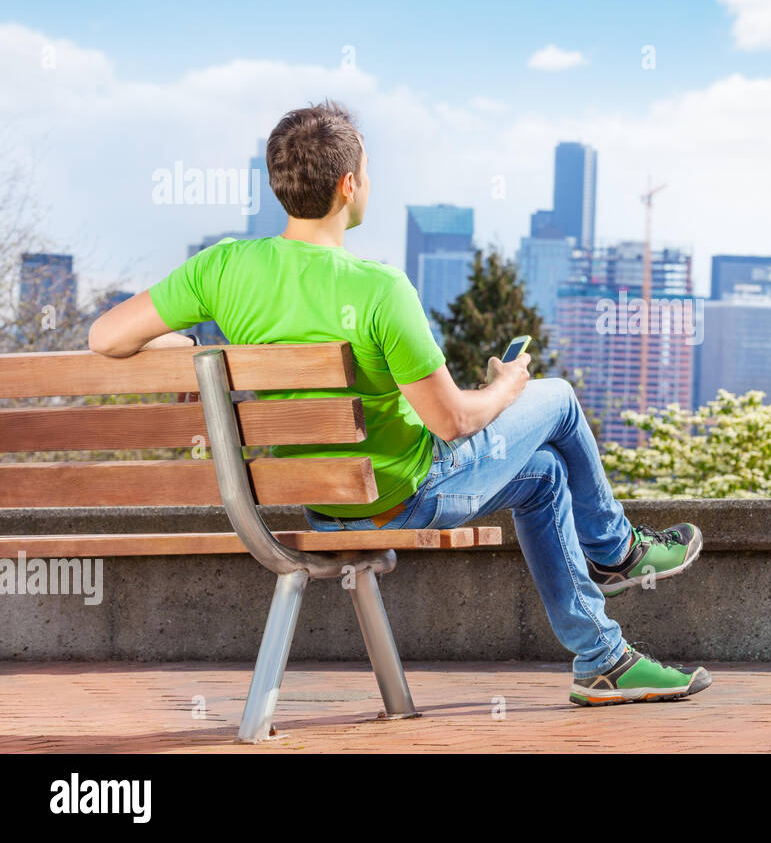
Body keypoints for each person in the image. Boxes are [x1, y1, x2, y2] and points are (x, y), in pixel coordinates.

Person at [87, 100, 711, 706]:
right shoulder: (381, 289)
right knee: (560, 399)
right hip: (401, 497)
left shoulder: (221, 268)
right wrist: (504, 387)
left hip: (325, 505)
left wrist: (193, 351)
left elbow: (105, 336)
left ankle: (604, 660)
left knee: (545, 476)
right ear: (349, 183)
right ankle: (617, 550)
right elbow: (454, 421)